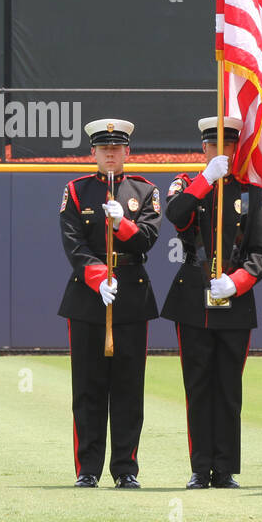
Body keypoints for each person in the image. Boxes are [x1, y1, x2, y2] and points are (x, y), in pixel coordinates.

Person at [162, 116, 262, 489]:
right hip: (193, 295)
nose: (221, 151)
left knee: (228, 388)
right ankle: (200, 467)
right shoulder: (187, 185)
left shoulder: (251, 194)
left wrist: (237, 282)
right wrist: (206, 178)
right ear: (203, 148)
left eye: (227, 146)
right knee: (197, 386)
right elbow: (175, 216)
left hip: (234, 300)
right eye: (213, 145)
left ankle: (224, 468)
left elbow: (261, 254)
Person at [58, 119, 161, 488]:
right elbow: (74, 244)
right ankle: (88, 469)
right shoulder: (76, 190)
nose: (111, 154)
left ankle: (125, 469)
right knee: (87, 388)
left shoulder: (145, 191)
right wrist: (100, 278)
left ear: (128, 151)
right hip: (88, 297)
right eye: (104, 148)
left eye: (117, 148)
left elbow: (147, 239)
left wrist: (123, 225)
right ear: (93, 152)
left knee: (128, 389)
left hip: (132, 296)